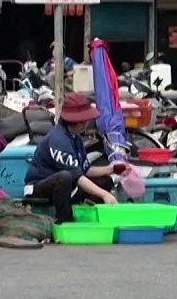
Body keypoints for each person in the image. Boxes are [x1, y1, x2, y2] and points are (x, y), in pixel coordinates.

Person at [25, 92, 121, 224]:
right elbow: (77, 177)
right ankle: (64, 220)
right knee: (64, 177)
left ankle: (85, 215)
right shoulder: (58, 139)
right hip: (38, 187)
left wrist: (110, 169)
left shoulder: (75, 138)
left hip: (66, 187)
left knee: (105, 181)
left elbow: (84, 170)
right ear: (79, 122)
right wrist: (104, 195)